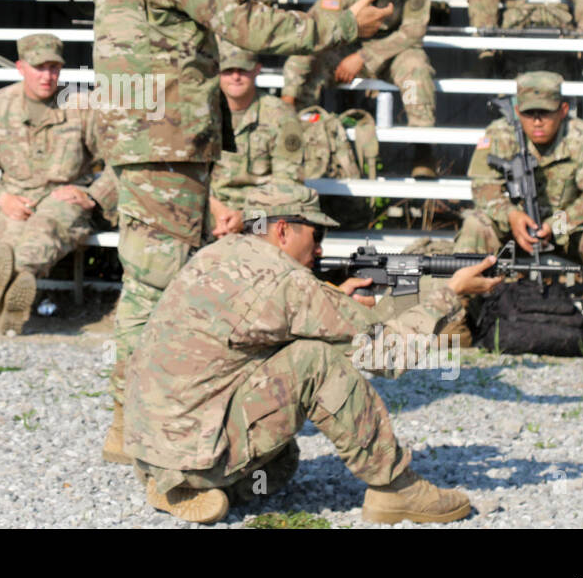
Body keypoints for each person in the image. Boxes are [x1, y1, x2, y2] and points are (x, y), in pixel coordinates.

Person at [91, 0, 394, 463]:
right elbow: (245, 24)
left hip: (135, 131)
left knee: (147, 278)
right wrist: (344, 23)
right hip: (167, 138)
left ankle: (131, 419)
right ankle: (153, 432)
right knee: (162, 285)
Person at [124, 180, 500, 524]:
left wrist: (333, 299)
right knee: (316, 360)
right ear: (283, 229)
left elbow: (256, 317)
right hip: (195, 450)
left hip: (151, 450)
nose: (320, 247)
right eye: (315, 233)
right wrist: (450, 293)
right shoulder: (288, 284)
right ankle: (395, 488)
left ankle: (184, 485)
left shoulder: (216, 254)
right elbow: (386, 354)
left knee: (279, 465)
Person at [456, 73, 583, 359]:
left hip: (570, 231)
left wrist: (556, 224)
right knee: (475, 225)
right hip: (514, 230)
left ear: (564, 110)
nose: (537, 121)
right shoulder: (499, 134)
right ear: (517, 110)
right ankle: (456, 320)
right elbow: (483, 189)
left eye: (545, 113)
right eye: (529, 113)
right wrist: (511, 215)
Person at [0, 34, 117, 335]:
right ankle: (8, 284)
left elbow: (118, 160)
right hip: (15, 195)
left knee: (44, 229)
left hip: (63, 195)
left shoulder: (82, 106)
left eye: (54, 68)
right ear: (21, 67)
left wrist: (94, 197)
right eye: (39, 67)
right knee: (2, 235)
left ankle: (15, 281)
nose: (48, 76)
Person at [281, 0, 437, 176]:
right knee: (305, 61)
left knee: (416, 69)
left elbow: (413, 30)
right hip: (344, 48)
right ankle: (297, 135)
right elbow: (319, 26)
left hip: (392, 49)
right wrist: (288, 96)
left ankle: (422, 147)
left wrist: (364, 56)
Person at [208, 40, 356, 232]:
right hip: (214, 210)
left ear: (257, 70)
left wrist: (244, 217)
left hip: (260, 212)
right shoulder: (203, 113)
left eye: (243, 70)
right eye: (228, 71)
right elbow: (191, 175)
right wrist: (219, 212)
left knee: (260, 236)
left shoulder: (280, 115)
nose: (236, 76)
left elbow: (288, 183)